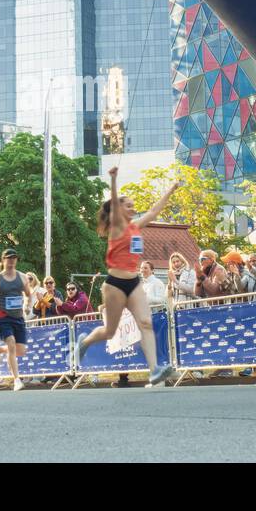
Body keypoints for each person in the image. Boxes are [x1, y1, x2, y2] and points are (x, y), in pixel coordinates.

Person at [76, 166, 179, 387]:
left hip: (133, 282)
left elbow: (153, 212)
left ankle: (154, 371)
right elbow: (114, 201)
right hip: (114, 285)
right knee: (110, 331)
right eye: (128, 205)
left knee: (146, 322)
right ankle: (85, 342)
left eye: (134, 205)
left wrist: (171, 190)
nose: (133, 208)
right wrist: (113, 180)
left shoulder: (135, 227)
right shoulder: (116, 226)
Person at [0, 248, 33, 391]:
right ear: (3, 260)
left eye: (14, 258)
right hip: (3, 316)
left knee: (20, 351)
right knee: (11, 343)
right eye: (8, 258)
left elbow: (29, 295)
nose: (11, 261)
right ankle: (17, 380)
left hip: (18, 317)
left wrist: (27, 305)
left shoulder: (22, 277)